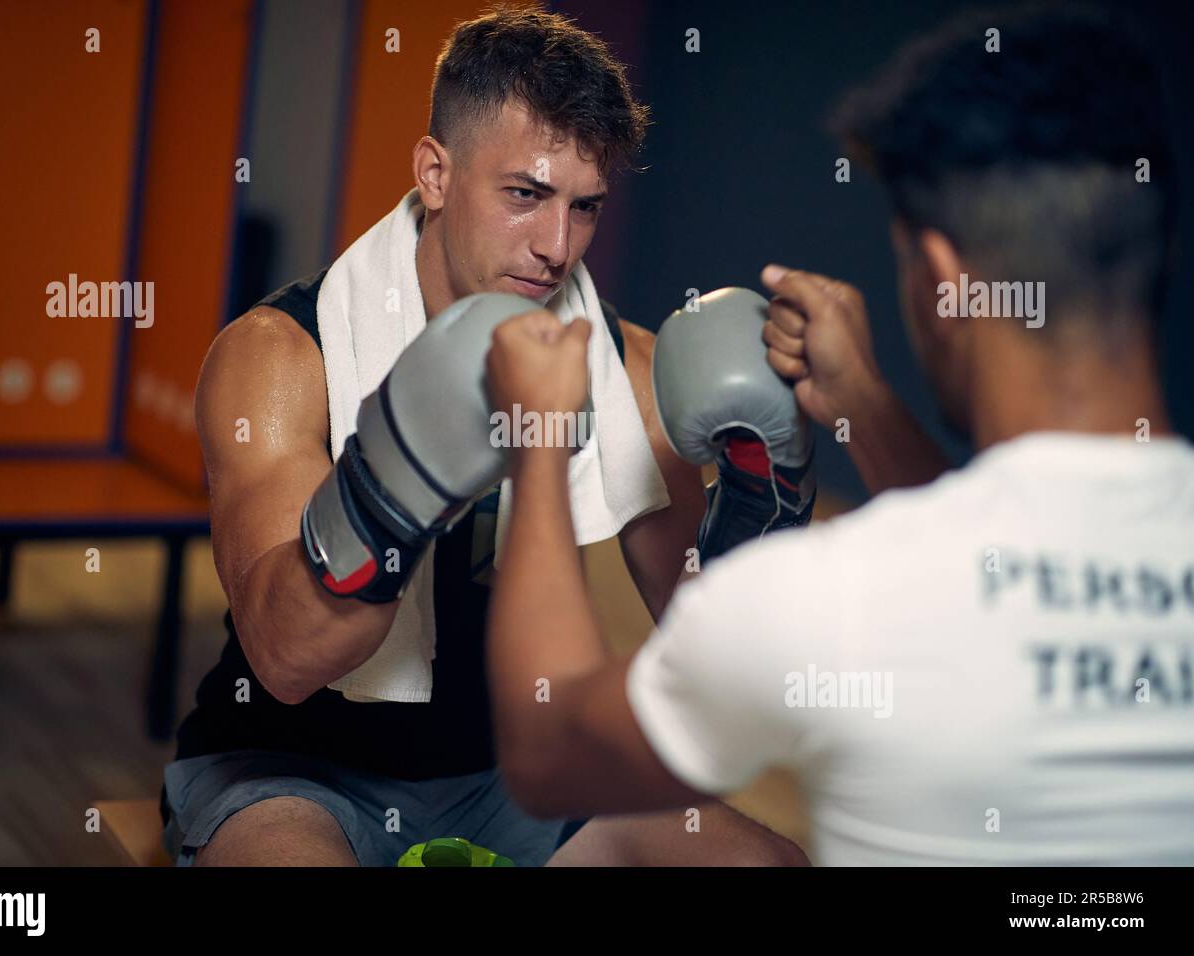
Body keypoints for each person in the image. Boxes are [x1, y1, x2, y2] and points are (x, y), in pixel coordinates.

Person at [484, 6, 1194, 865]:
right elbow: (995, 560)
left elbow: (551, 750)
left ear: (941, 279)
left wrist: (539, 434)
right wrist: (864, 404)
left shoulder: (829, 596)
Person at [161, 7, 807, 867]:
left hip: (507, 774)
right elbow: (285, 657)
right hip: (288, 772)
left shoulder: (624, 368)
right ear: (435, 172)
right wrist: (398, 469)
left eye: (585, 208)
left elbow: (713, 646)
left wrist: (768, 492)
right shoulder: (282, 356)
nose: (555, 248)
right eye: (525, 195)